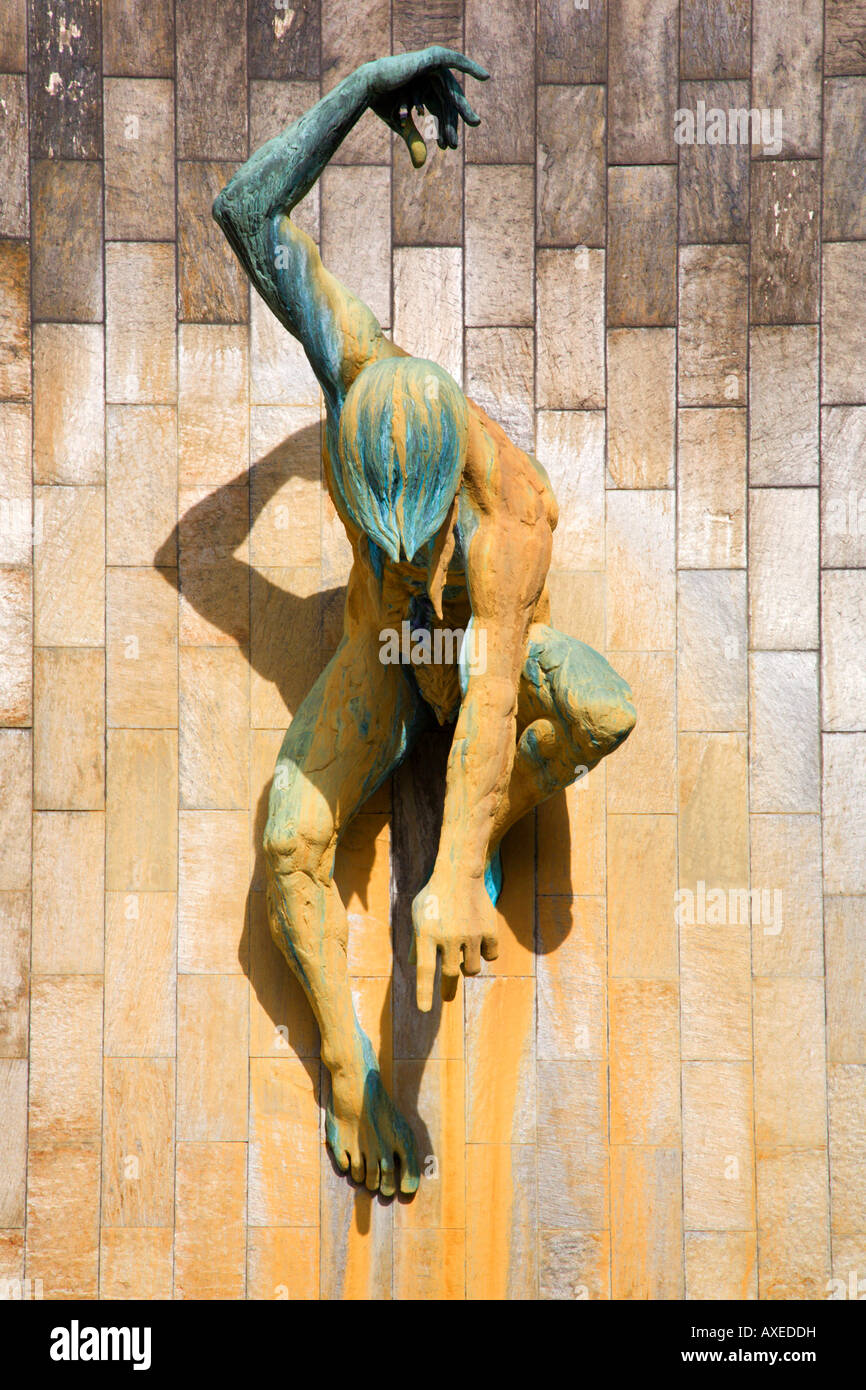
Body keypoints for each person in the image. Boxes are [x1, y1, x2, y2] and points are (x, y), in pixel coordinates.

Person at [213, 47, 635, 1197]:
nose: (403, 570)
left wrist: (452, 869)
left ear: (452, 499)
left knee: (599, 708)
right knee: (288, 838)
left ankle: (493, 811)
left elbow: (497, 687)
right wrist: (360, 89)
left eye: (419, 554)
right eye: (374, 548)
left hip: (482, 666)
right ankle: (350, 1074)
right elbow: (243, 210)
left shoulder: (508, 515)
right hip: (386, 667)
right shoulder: (356, 368)